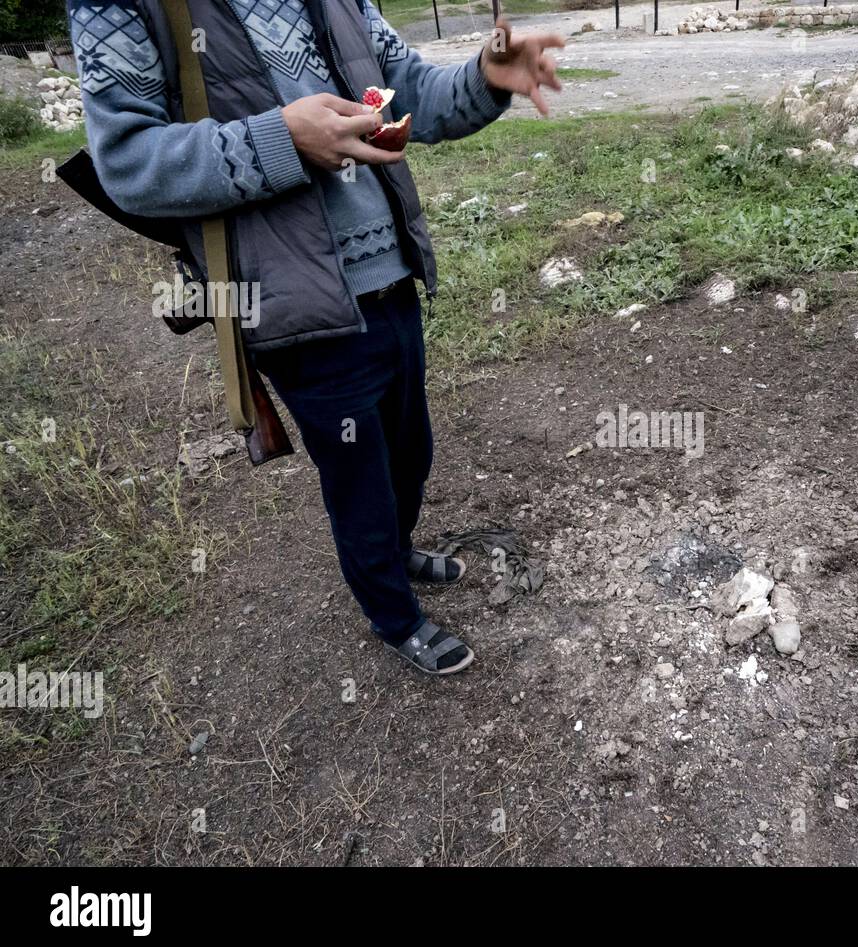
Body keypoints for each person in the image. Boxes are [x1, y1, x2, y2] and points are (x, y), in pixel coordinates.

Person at [68, 0, 563, 675]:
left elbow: (408, 88)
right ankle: (394, 616)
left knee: (409, 455)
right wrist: (281, 138)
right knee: (360, 481)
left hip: (391, 277)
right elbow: (127, 164)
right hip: (292, 302)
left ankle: (392, 553)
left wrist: (485, 75)